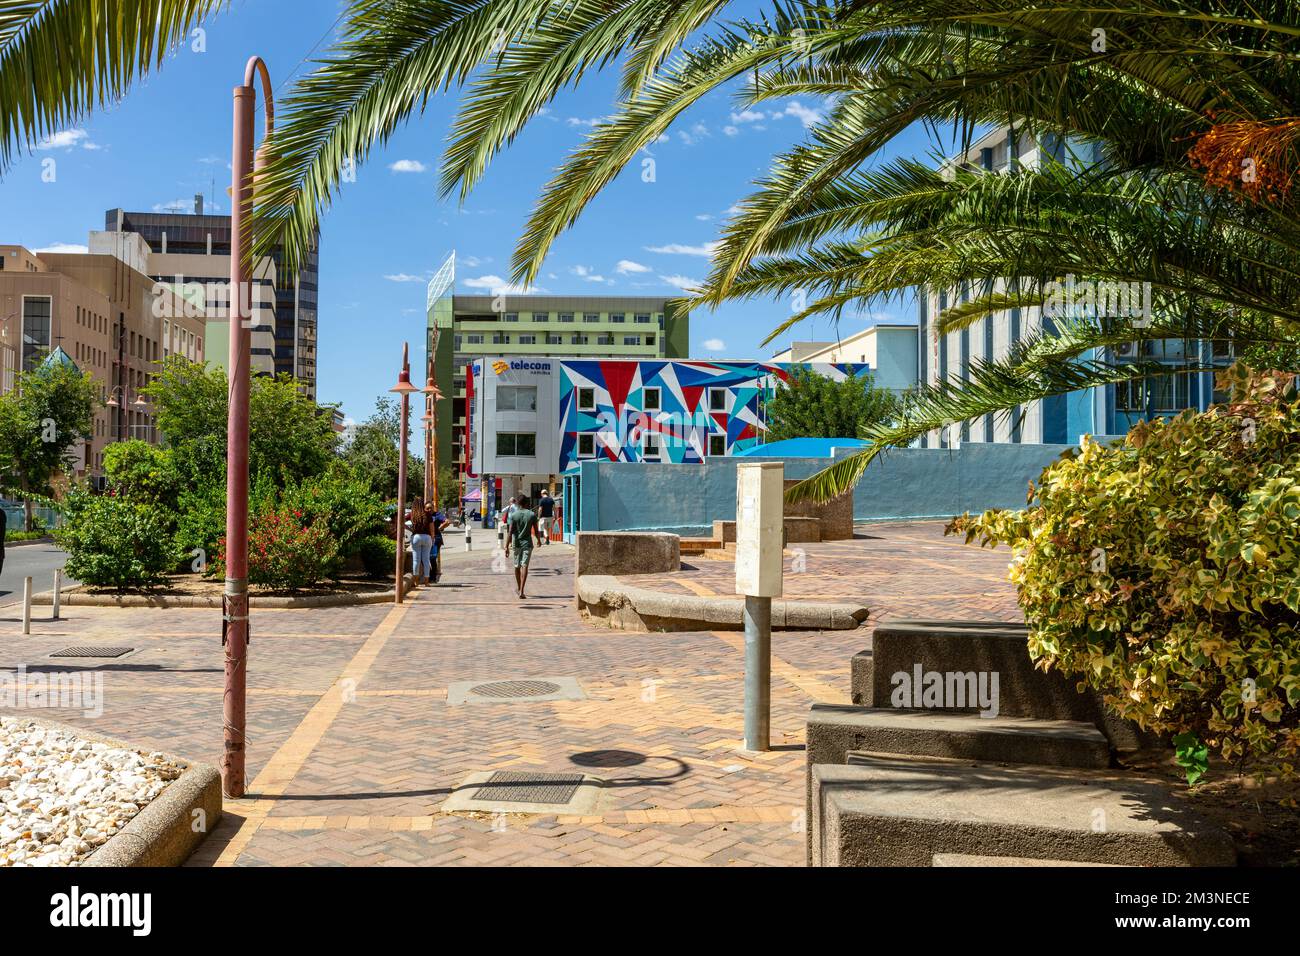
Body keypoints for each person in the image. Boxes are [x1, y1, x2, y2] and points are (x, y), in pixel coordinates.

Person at [505, 494, 544, 599]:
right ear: (526, 503)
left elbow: (510, 532)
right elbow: (536, 531)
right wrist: (539, 540)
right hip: (527, 543)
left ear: (517, 503)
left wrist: (506, 546)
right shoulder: (531, 515)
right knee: (525, 565)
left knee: (517, 566)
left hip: (516, 543)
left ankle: (519, 588)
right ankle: (522, 590)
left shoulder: (514, 515)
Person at [406, 497, 434, 587]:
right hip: (427, 537)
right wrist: (432, 537)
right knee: (426, 560)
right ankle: (426, 582)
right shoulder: (428, 514)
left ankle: (416, 582)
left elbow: (401, 521)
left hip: (416, 537)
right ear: (422, 504)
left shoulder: (412, 514)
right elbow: (432, 528)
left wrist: (409, 529)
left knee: (416, 560)